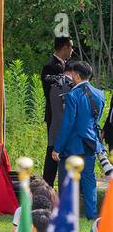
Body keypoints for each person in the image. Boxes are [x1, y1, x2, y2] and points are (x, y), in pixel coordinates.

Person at [52, 59, 105, 219]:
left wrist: (57, 147)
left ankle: (68, 213)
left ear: (75, 75)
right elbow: (96, 120)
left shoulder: (72, 95)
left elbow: (68, 124)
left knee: (68, 181)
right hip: (90, 143)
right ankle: (92, 214)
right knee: (89, 180)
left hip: (73, 145)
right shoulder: (100, 94)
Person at [42, 36, 75, 186]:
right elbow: (49, 91)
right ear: (64, 47)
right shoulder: (49, 66)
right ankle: (47, 184)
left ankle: (66, 181)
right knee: (53, 148)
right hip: (55, 115)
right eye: (71, 47)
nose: (72, 50)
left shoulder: (70, 65)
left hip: (69, 114)